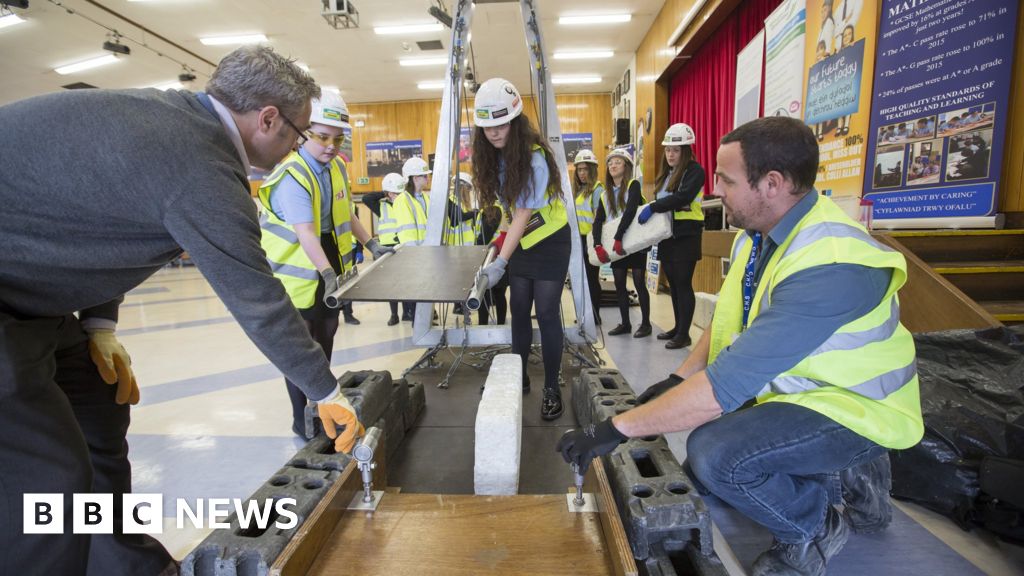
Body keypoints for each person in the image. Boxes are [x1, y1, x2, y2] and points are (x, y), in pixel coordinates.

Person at [0, 45, 363, 576]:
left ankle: (126, 565)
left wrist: (99, 324)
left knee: (99, 408)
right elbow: (256, 299)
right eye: (301, 131)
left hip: (30, 290)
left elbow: (103, 217)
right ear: (268, 119)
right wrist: (325, 390)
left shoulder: (171, 120)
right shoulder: (203, 165)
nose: (301, 143)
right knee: (48, 478)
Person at [558, 116, 923, 576]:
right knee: (705, 462)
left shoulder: (829, 264)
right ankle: (850, 473)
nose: (715, 189)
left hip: (858, 408)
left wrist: (615, 428)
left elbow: (722, 389)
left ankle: (812, 525)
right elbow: (730, 318)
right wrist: (678, 376)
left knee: (717, 457)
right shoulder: (763, 234)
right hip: (805, 390)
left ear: (772, 183)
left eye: (726, 180)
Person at [258, 91, 393, 438]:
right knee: (302, 347)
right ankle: (300, 419)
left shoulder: (335, 168)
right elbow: (304, 232)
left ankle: (319, 404)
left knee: (327, 336)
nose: (331, 145)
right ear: (303, 133)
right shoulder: (293, 175)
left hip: (328, 258)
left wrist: (372, 243)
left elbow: (346, 212)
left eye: (338, 138)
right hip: (300, 270)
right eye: (322, 137)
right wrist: (327, 273)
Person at [473, 78, 571, 420]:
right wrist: (498, 244)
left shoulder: (535, 158)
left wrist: (501, 260)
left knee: (545, 313)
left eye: (500, 124)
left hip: (550, 243)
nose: (494, 133)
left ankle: (551, 388)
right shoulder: (497, 158)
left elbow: (525, 213)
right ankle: (520, 379)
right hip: (522, 241)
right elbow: (510, 213)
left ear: (514, 120)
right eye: (487, 126)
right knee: (518, 308)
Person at [637, 123, 705, 349]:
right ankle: (678, 328)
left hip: (687, 235)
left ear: (685, 150)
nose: (670, 154)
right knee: (674, 284)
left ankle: (684, 334)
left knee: (683, 284)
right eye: (668, 150)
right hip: (667, 236)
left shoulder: (695, 171)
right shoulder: (666, 175)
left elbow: (683, 197)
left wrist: (654, 207)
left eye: (675, 150)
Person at [593, 148, 652, 338]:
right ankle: (625, 323)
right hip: (617, 244)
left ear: (626, 166)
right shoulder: (604, 194)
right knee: (619, 282)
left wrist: (619, 236)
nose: (612, 165)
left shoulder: (633, 185)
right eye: (610, 163)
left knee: (638, 281)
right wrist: (597, 244)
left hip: (634, 241)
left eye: (617, 162)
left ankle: (645, 324)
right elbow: (598, 221)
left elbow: (631, 211)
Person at [363, 172, 409, 325]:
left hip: (402, 246)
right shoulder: (380, 205)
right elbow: (366, 198)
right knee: (391, 284)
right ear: (389, 193)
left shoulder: (405, 203)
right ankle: (394, 314)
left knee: (407, 282)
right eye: (395, 193)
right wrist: (385, 192)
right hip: (386, 249)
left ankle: (408, 313)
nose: (398, 195)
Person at [392, 156, 432, 321]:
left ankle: (424, 322)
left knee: (427, 294)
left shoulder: (425, 198)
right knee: (418, 296)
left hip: (429, 254)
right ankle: (419, 325)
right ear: (415, 178)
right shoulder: (403, 200)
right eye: (424, 175)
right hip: (415, 257)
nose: (427, 178)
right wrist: (415, 258)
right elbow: (407, 232)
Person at [572, 148, 605, 325]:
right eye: (579, 169)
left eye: (585, 169)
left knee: (592, 279)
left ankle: (594, 315)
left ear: (592, 170)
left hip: (591, 240)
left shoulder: (597, 190)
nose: (582, 173)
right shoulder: (577, 191)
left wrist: (595, 243)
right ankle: (585, 314)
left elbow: (598, 219)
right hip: (578, 241)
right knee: (580, 280)